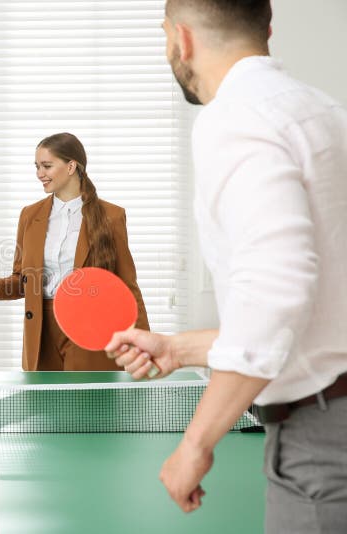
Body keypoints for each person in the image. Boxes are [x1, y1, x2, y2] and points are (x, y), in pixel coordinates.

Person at [105, 1, 347, 531]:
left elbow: (275, 293)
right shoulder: (324, 112)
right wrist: (180, 348)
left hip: (322, 439)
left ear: (182, 38)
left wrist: (196, 442)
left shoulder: (235, 119)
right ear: (267, 28)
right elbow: (324, 311)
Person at [0, 132, 149, 371]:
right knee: (44, 396)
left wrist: (144, 344)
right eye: (37, 167)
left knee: (85, 395)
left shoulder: (111, 216)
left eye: (47, 166)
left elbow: (127, 286)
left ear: (71, 166)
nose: (39, 174)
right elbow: (23, 280)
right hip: (41, 332)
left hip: (90, 329)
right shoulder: (29, 215)